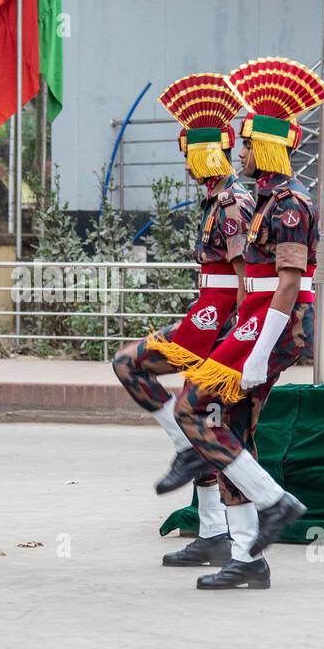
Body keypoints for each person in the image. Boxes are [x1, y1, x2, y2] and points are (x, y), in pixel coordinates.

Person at [175, 57, 324, 591]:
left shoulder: (289, 204)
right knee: (227, 427)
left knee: (196, 404)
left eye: (244, 144)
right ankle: (248, 555)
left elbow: (287, 283)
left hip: (279, 325)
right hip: (259, 321)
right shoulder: (266, 199)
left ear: (263, 146)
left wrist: (260, 352)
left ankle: (273, 504)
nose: (235, 152)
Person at [111, 72, 253, 569]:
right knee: (204, 418)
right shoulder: (217, 197)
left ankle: (183, 445)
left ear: (206, 153)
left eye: (189, 154)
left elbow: (246, 279)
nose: (186, 165)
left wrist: (232, 342)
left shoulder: (232, 202)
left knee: (129, 363)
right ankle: (214, 531)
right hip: (208, 317)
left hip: (216, 322)